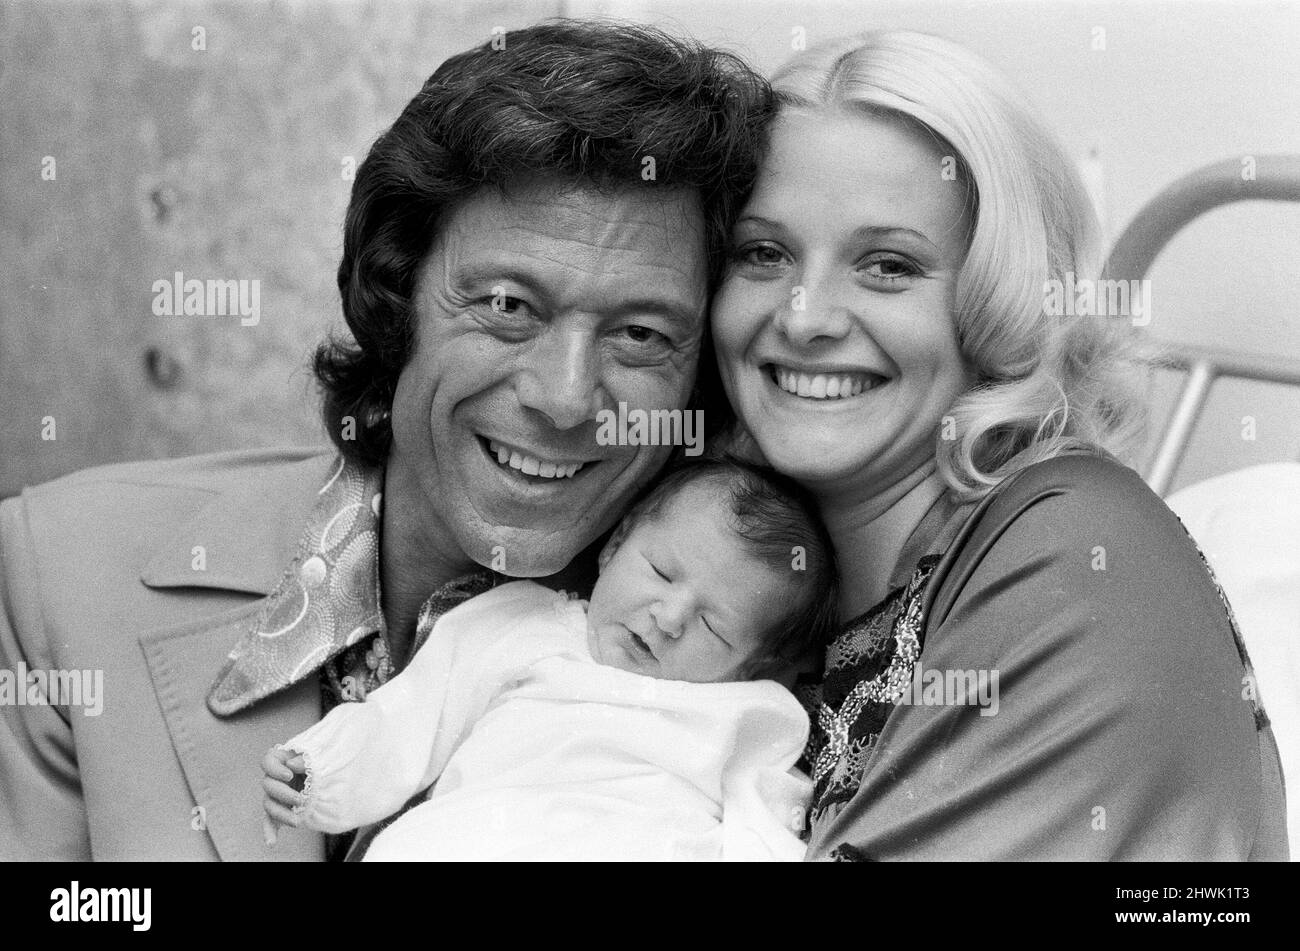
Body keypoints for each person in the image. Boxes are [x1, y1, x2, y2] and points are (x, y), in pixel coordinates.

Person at [0, 20, 773, 861]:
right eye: (510, 305)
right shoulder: (62, 573)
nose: (564, 397)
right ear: (397, 295)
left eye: (642, 336)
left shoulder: (727, 659)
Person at [710, 30, 1288, 859]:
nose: (804, 317)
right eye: (763, 253)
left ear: (1002, 299)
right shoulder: (757, 573)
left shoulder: (1080, 553)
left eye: (887, 266)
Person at [261, 460, 837, 861]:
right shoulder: (524, 624)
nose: (668, 618)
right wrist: (323, 770)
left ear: (753, 667)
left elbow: (763, 824)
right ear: (615, 546)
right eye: (660, 572)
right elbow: (413, 716)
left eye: (714, 626)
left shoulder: (742, 712)